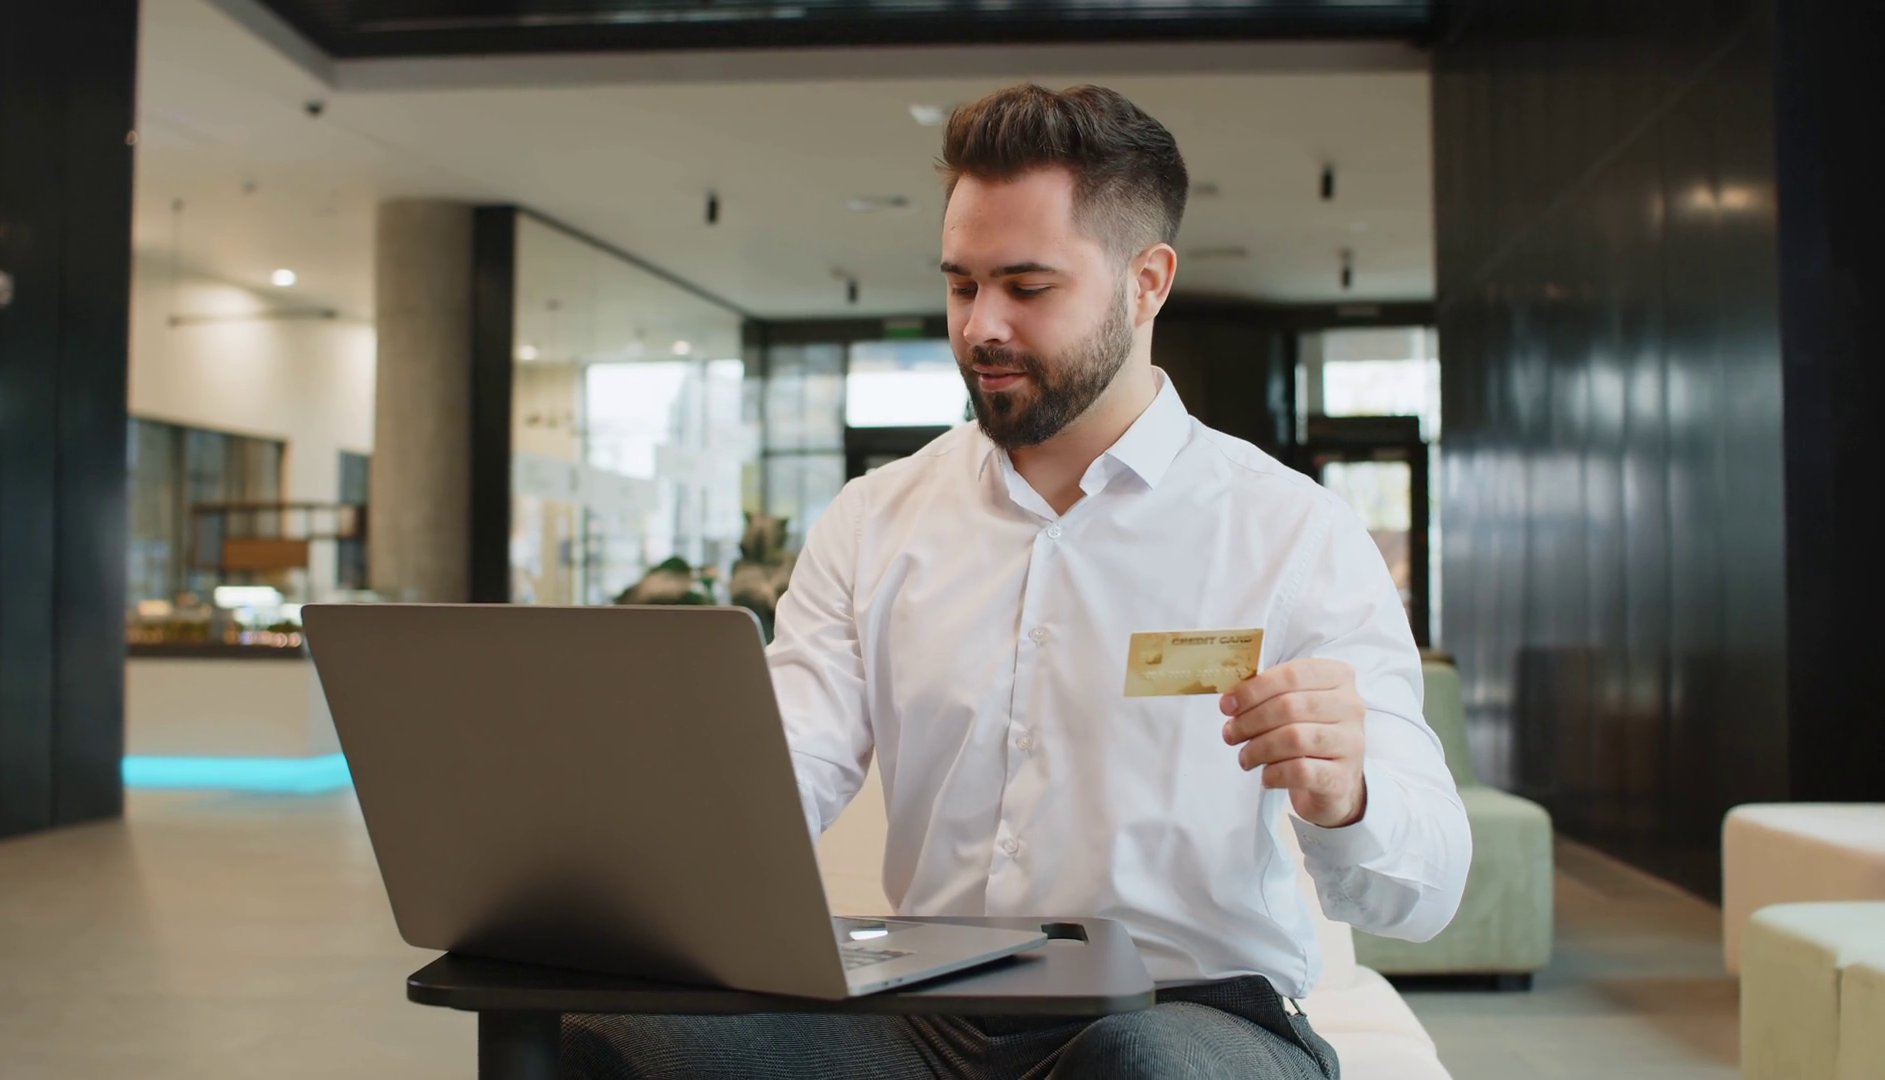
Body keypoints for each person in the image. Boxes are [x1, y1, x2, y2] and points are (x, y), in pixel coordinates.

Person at [565, 82, 1471, 1080]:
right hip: (921, 1011)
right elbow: (788, 767)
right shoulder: (876, 521)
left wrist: (1349, 793)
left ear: (1146, 283)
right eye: (962, 285)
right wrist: (658, 811)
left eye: (1028, 288)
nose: (981, 326)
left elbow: (1426, 890)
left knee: (1143, 1067)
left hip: (1184, 1013)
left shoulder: (1290, 533)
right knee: (618, 1040)